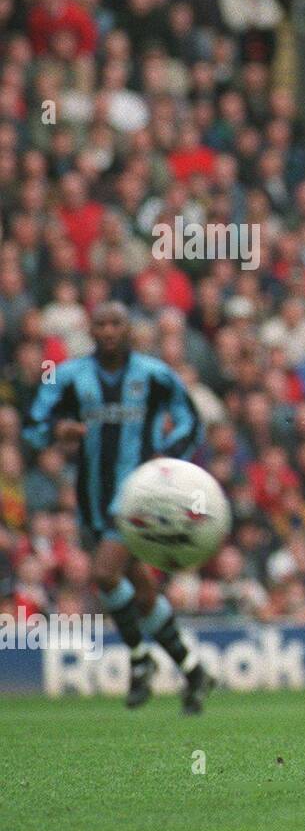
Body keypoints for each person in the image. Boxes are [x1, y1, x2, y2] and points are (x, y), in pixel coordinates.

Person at [22, 302, 216, 713]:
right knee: (142, 595)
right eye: (101, 324)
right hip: (91, 499)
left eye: (116, 324)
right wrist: (59, 429)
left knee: (104, 574)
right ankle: (194, 670)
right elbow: (34, 424)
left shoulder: (154, 375)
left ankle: (138, 658)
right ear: (91, 331)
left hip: (140, 500)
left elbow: (191, 420)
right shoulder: (72, 376)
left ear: (129, 330)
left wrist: (163, 460)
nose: (109, 331)